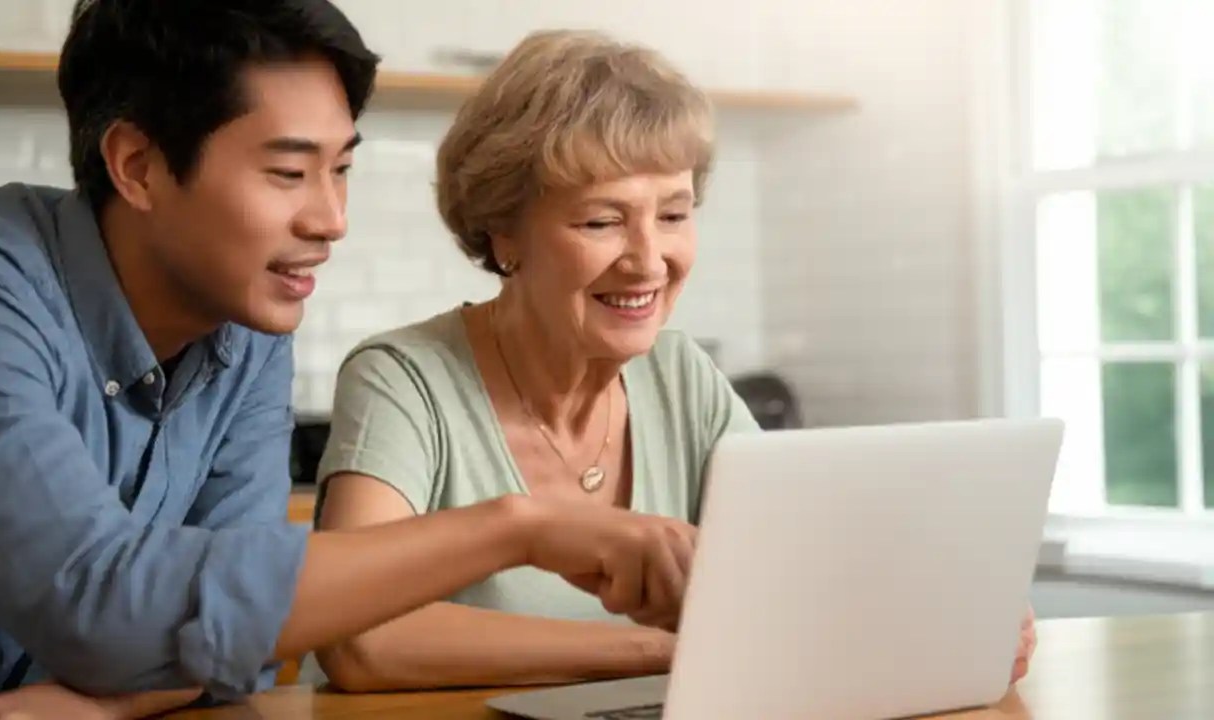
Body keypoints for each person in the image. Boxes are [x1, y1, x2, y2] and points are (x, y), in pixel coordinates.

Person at [0, 4, 695, 719]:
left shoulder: (248, 325)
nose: (331, 221)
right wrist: (518, 528)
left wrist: (107, 703)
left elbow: (251, 637)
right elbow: (105, 604)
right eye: (289, 173)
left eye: (341, 170)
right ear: (136, 165)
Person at [311, 29, 1040, 693]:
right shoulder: (403, 378)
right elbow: (360, 641)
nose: (649, 260)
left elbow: (804, 573)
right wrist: (660, 653)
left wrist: (946, 610)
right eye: (602, 220)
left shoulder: (680, 375)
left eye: (674, 213)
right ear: (504, 233)